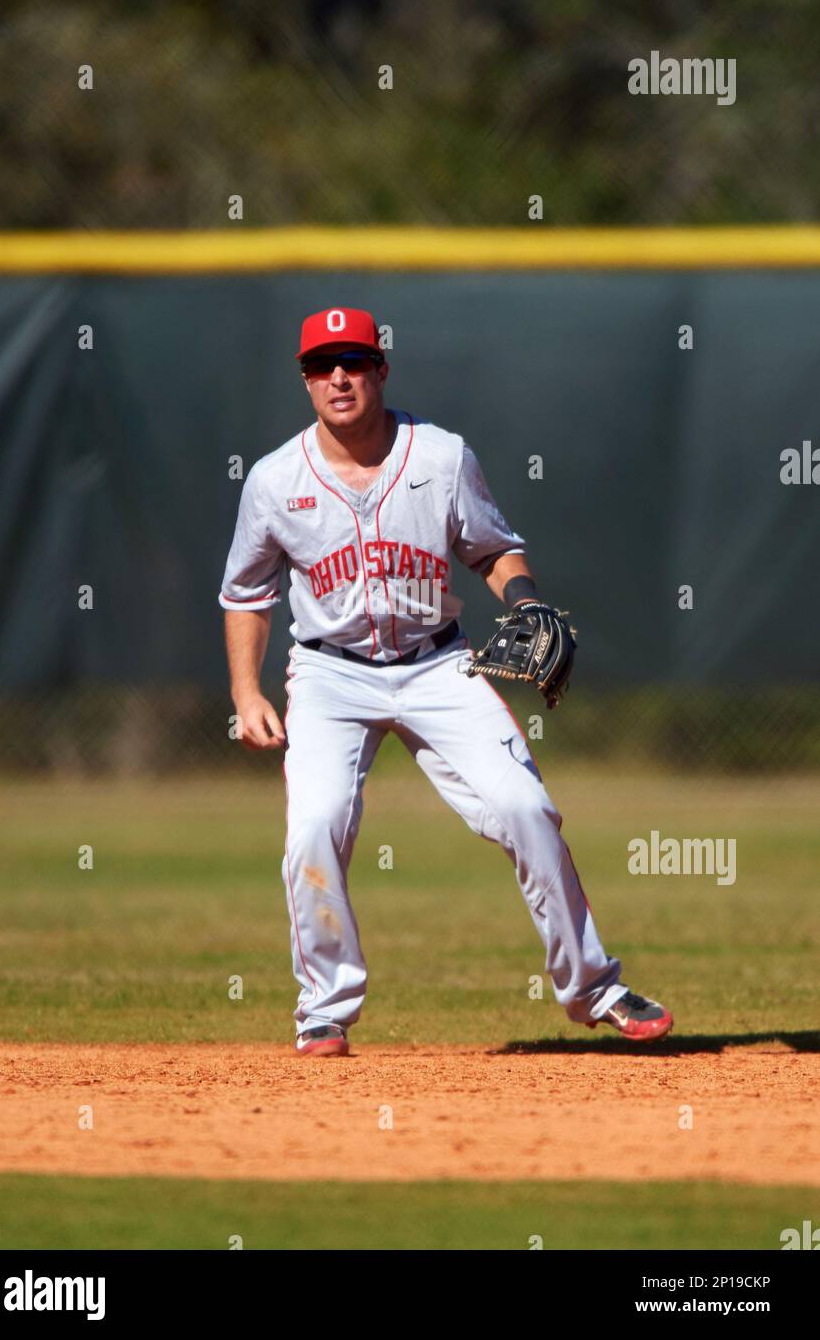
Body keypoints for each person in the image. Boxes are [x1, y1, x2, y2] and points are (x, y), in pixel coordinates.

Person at [220, 306, 673, 1056]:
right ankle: (324, 1008)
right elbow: (245, 594)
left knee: (524, 806)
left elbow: (494, 549)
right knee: (313, 825)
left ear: (381, 370)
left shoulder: (440, 456)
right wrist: (245, 691)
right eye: (322, 364)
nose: (339, 376)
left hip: (437, 662)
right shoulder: (274, 481)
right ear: (304, 380)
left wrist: (526, 601)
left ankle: (594, 987)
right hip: (331, 675)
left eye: (355, 361)